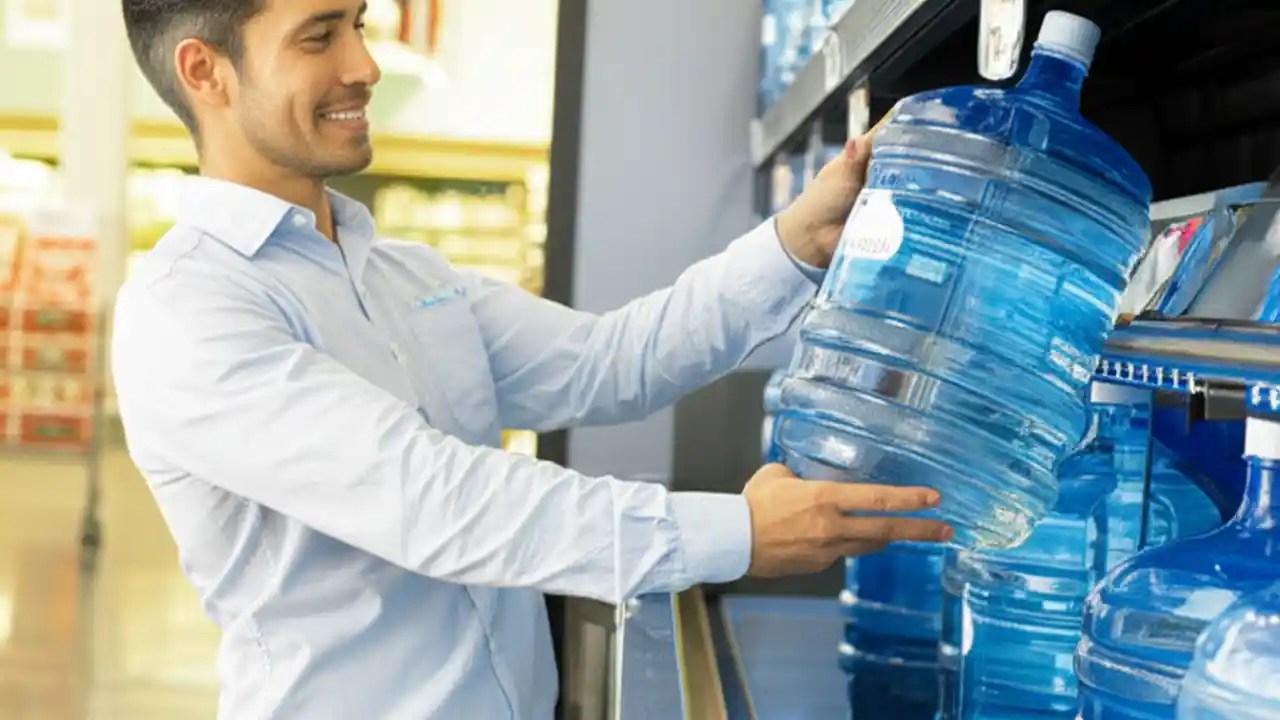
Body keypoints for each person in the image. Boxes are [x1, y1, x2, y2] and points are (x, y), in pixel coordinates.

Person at [113, 0, 954, 717]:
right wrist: (736, 532)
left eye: (360, 24)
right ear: (205, 71)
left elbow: (610, 360)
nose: (365, 63)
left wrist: (797, 240)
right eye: (318, 36)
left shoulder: (402, 272)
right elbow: (434, 501)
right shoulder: (187, 311)